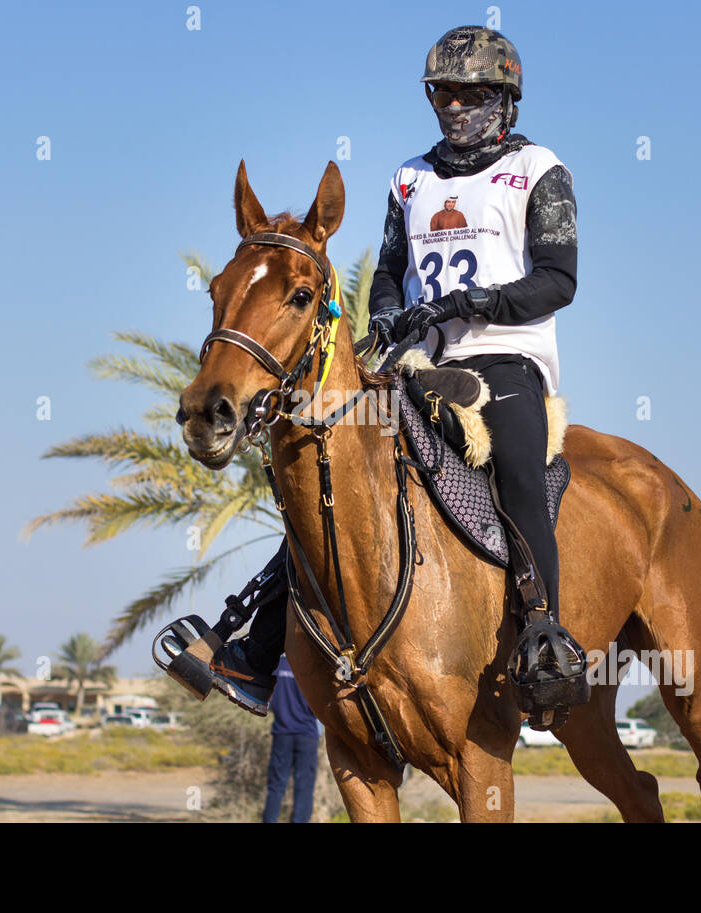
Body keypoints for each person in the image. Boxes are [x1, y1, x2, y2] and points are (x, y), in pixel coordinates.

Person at [168, 25, 588, 719]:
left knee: (516, 457)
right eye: (443, 94)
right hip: (421, 365)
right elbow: (390, 273)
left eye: (471, 93)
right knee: (337, 478)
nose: (455, 106)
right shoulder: (408, 178)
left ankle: (544, 631)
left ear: (504, 99)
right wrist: (393, 315)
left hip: (507, 359)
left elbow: (557, 279)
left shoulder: (541, 170)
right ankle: (252, 646)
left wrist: (469, 302)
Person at [261, 656, 320, 823]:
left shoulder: (278, 666)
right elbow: (317, 704)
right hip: (307, 734)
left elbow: (270, 700)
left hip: (282, 732)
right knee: (304, 785)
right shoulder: (309, 666)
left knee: (276, 785)